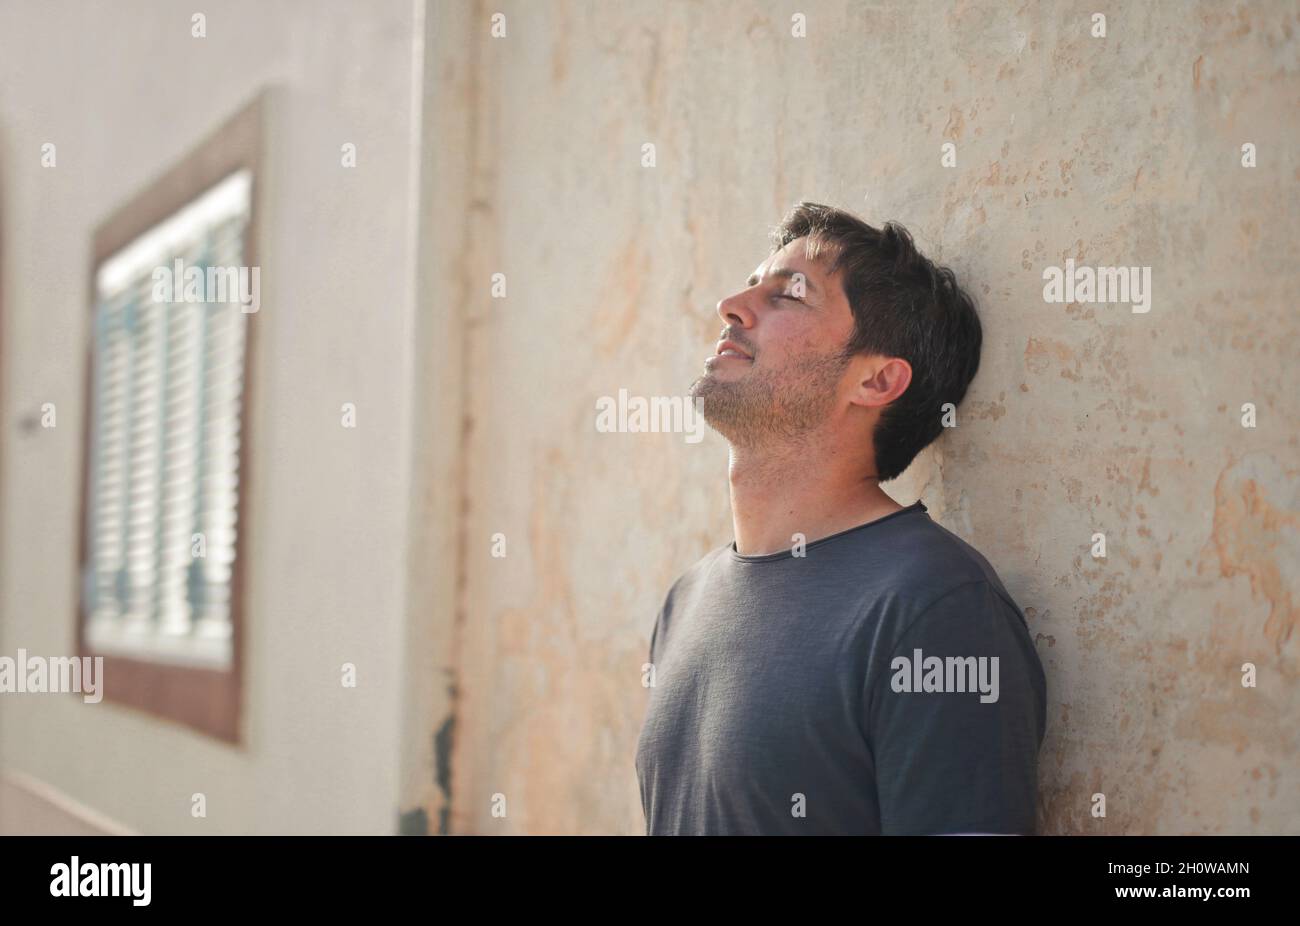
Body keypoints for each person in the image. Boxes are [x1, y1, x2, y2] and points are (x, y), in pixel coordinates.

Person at [635, 202, 1047, 835]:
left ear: (878, 381)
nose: (733, 305)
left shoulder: (935, 608)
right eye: (752, 283)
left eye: (790, 296)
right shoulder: (687, 599)